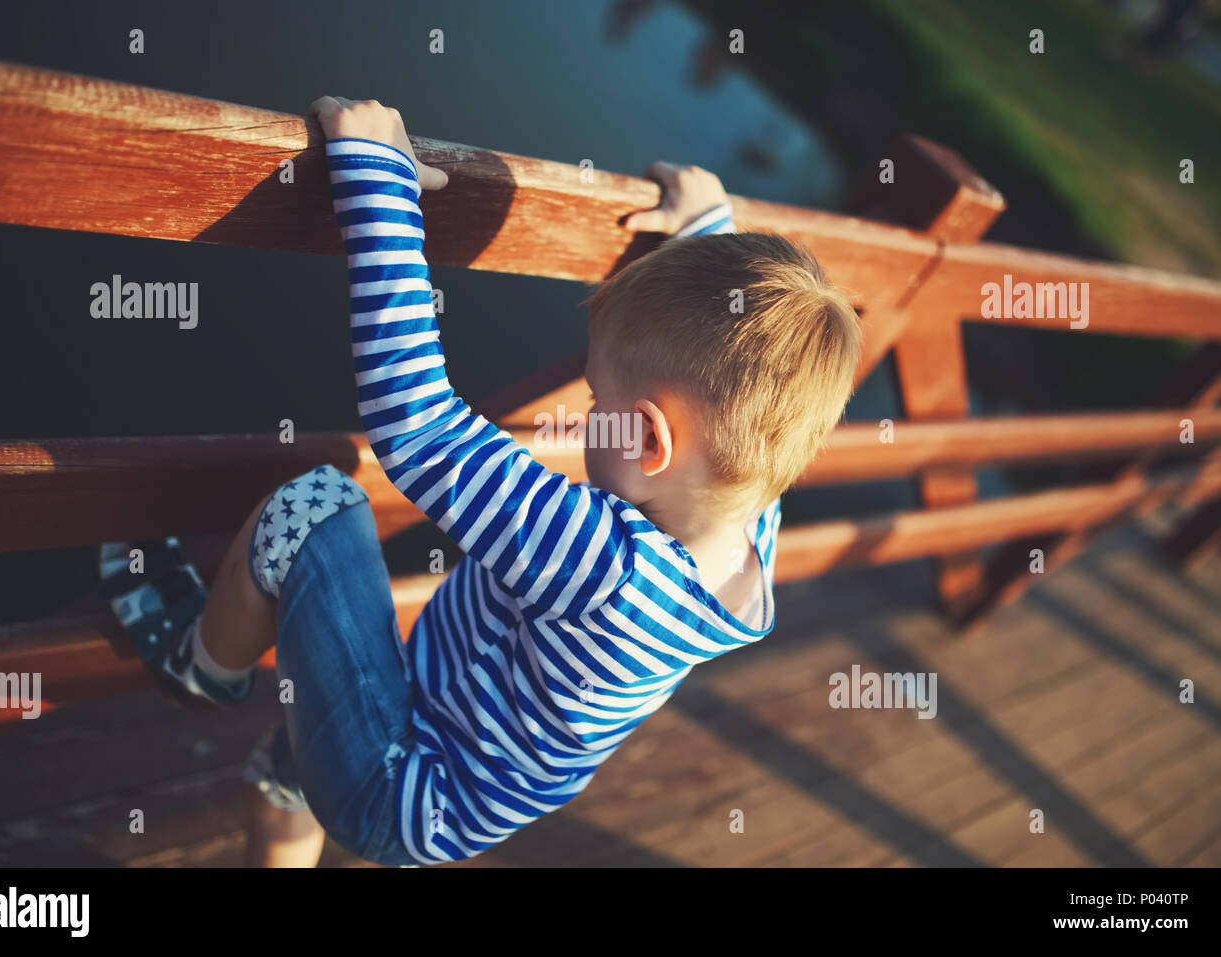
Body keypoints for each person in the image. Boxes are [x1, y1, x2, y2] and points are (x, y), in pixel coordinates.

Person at [99, 96, 862, 866]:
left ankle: (201, 669)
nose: (591, 413)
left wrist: (378, 184)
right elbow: (753, 389)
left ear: (653, 441)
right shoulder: (747, 522)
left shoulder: (608, 564)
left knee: (315, 508)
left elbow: (420, 426)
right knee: (286, 769)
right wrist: (708, 237)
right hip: (445, 788)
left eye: (600, 402)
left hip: (396, 781)